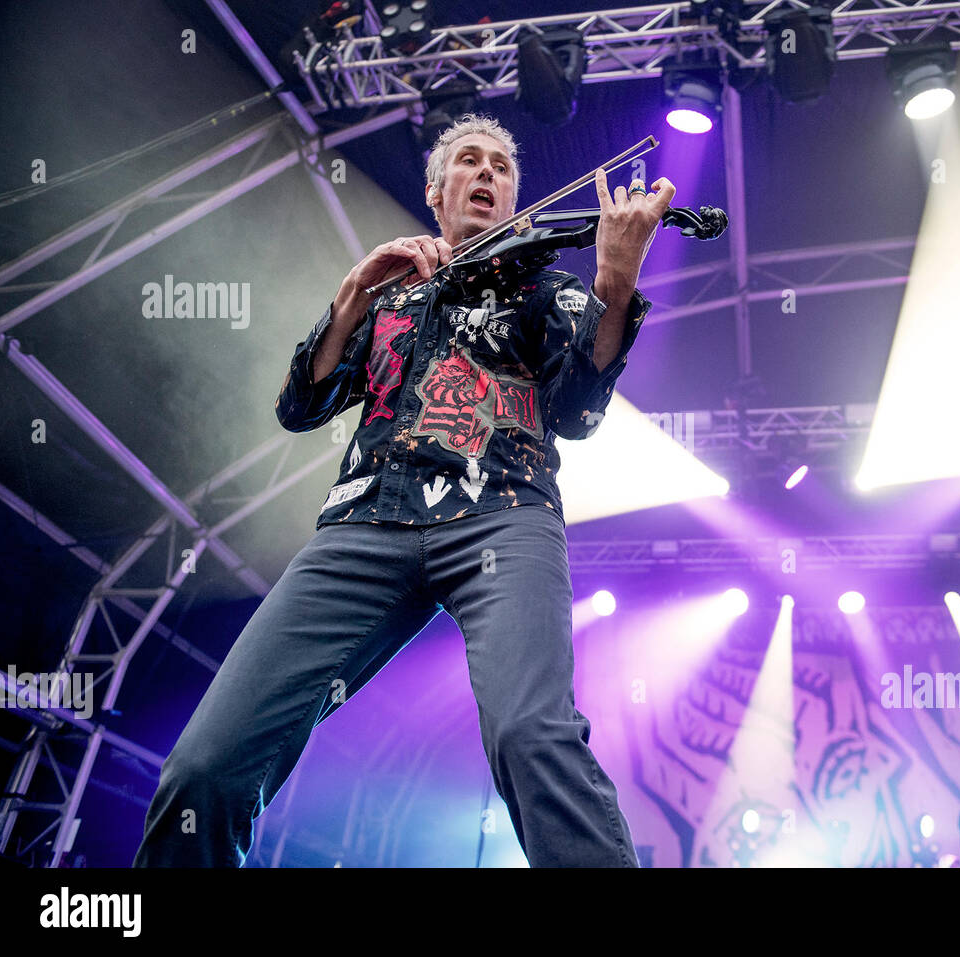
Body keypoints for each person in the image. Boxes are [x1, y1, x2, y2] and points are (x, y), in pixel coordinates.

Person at [133, 113, 675, 867]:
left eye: (501, 168)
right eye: (469, 162)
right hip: (363, 523)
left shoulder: (543, 289)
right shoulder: (390, 297)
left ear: (516, 196)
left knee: (529, 734)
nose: (487, 173)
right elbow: (302, 406)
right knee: (205, 765)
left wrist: (615, 283)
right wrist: (354, 291)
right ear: (435, 190)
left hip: (503, 516)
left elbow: (578, 413)